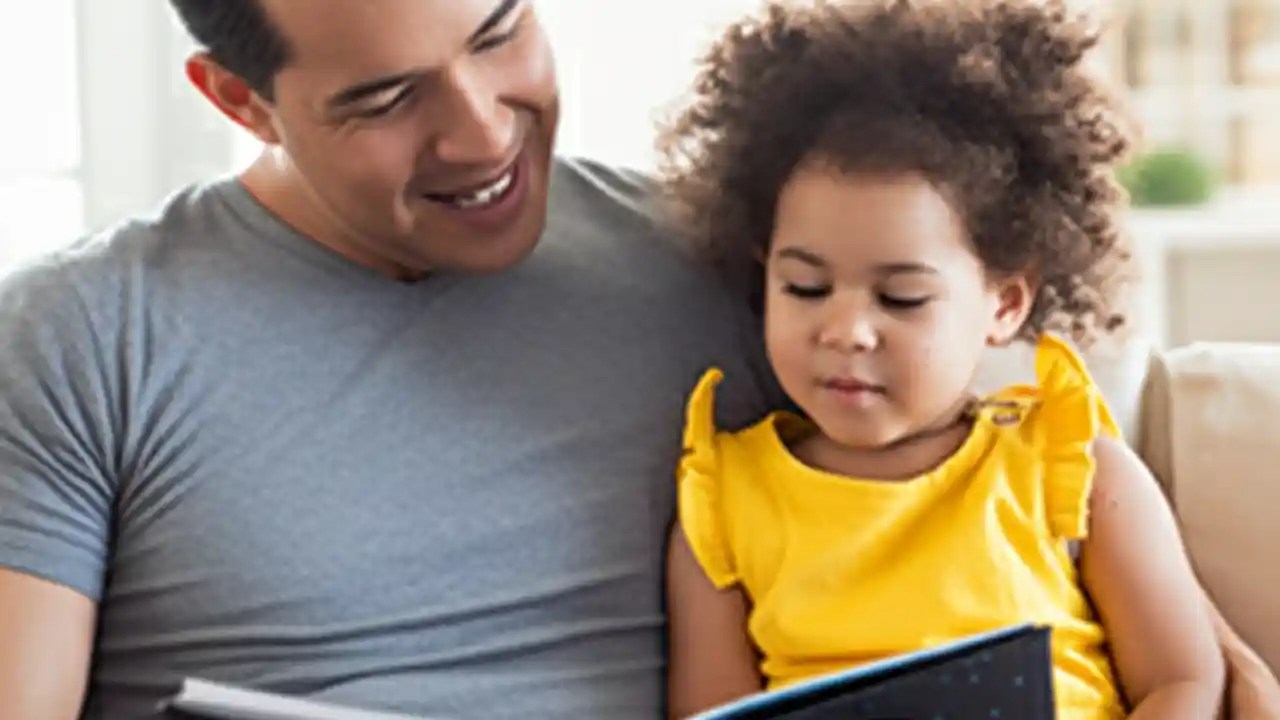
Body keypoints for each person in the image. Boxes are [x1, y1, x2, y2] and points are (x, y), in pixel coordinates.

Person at [0, 1, 1272, 719]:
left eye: (498, 30)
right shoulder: (79, 338)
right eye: (387, 101)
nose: (482, 132)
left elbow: (986, 444)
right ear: (239, 99)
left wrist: (1204, 655)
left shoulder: (733, 263)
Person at [656, 1, 1261, 719]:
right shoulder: (722, 501)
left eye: (902, 298)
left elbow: (1183, 680)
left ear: (1005, 304)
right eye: (806, 288)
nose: (847, 329)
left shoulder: (1071, 468)